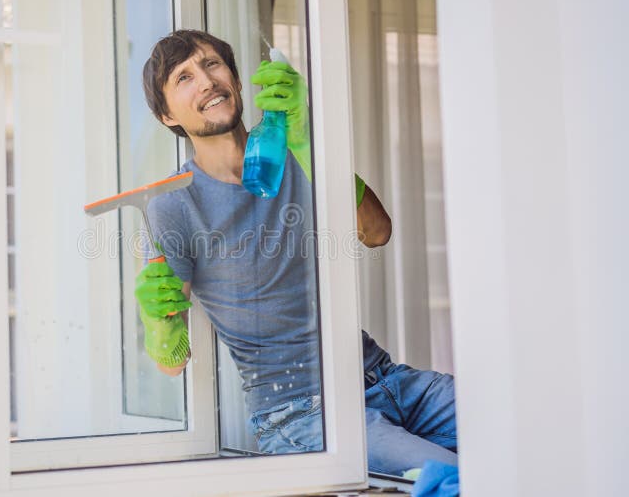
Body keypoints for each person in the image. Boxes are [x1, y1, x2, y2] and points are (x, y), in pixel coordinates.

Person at [134, 29, 457, 475]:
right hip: (297, 411)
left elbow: (376, 231)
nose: (206, 80)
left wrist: (311, 146)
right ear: (167, 115)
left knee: (525, 423)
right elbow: (171, 366)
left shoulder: (297, 156)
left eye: (212, 64)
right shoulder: (174, 205)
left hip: (387, 379)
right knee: (457, 477)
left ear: (236, 80)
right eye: (184, 77)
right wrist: (157, 323)